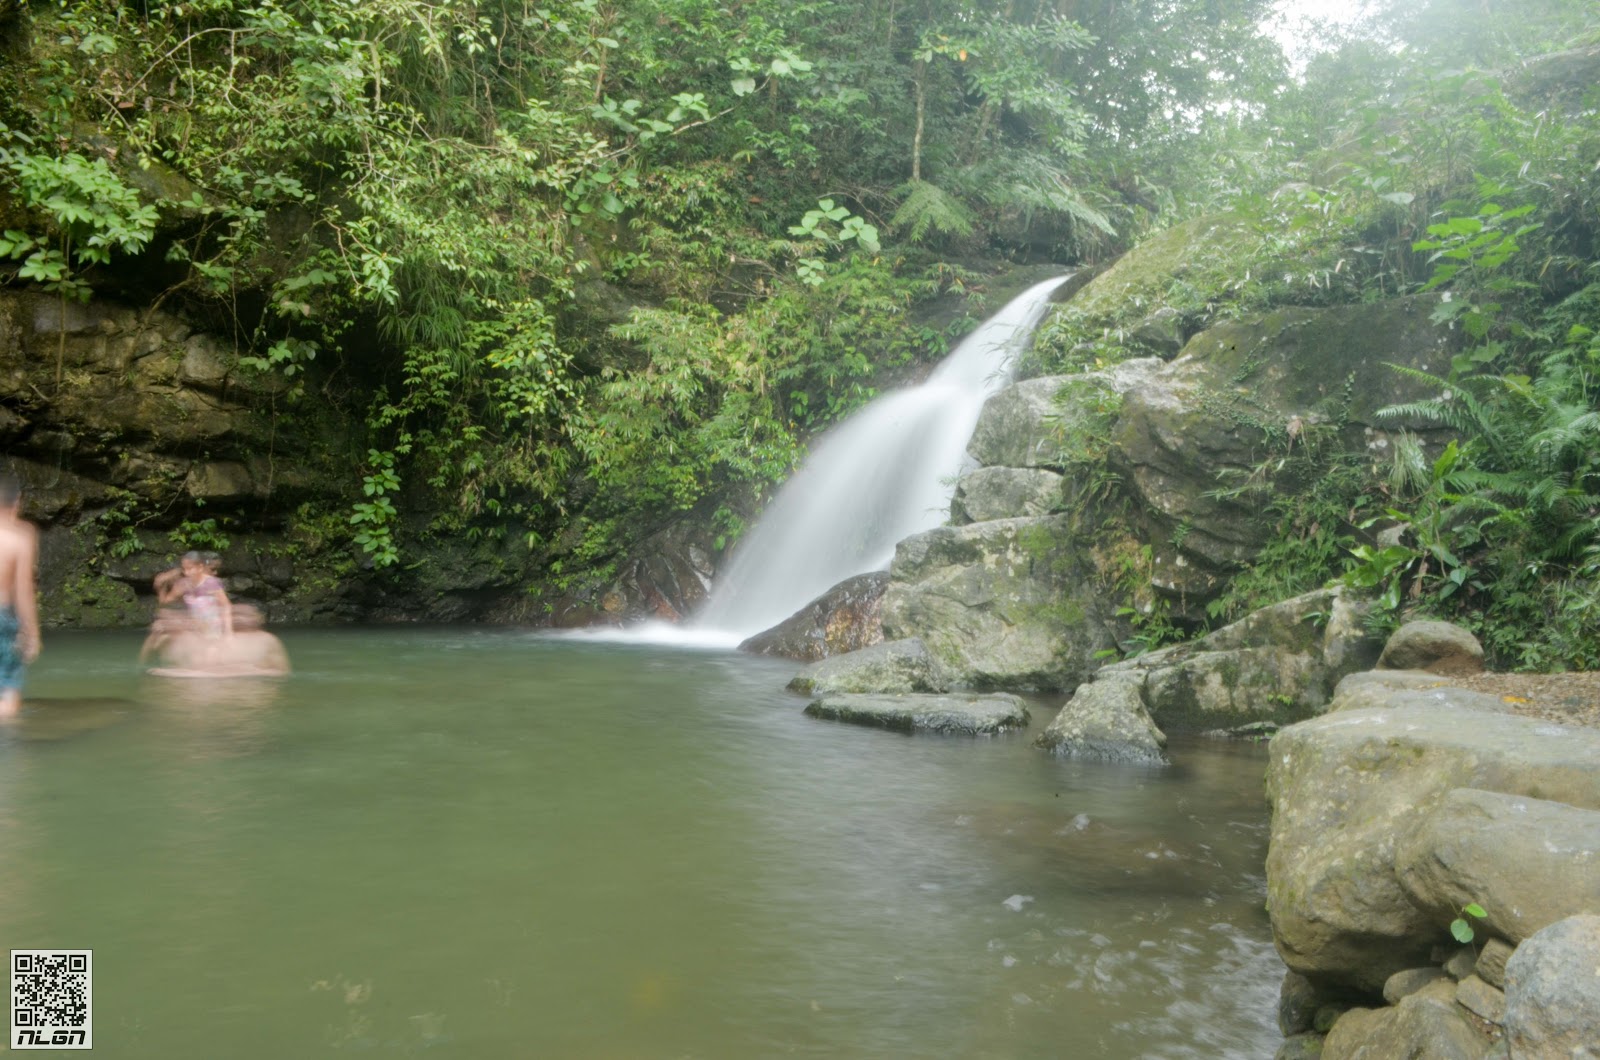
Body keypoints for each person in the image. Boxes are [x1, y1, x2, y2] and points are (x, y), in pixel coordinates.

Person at [0, 474, 40, 717]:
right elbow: (24, 590)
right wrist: (32, 633)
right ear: (17, 503)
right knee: (8, 697)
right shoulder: (20, 537)